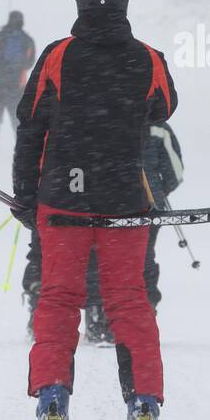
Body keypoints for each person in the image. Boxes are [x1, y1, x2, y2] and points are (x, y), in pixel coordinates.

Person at [10, 0, 177, 420]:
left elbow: (30, 127)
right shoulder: (148, 58)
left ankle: (51, 398)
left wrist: (26, 195)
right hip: (125, 199)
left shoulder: (58, 56)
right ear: (126, 1)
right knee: (130, 301)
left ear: (77, 1)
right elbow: (164, 107)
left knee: (59, 299)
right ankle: (143, 402)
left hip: (62, 198)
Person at [81, 121, 184, 345]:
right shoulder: (159, 128)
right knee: (142, 256)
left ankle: (98, 314)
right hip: (148, 205)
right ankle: (144, 313)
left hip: (102, 203)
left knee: (97, 256)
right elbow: (175, 173)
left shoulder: (98, 120)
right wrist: (157, 189)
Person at [0, 10, 36, 156]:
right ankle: (24, 156)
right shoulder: (27, 40)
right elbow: (30, 62)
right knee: (18, 124)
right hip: (16, 88)